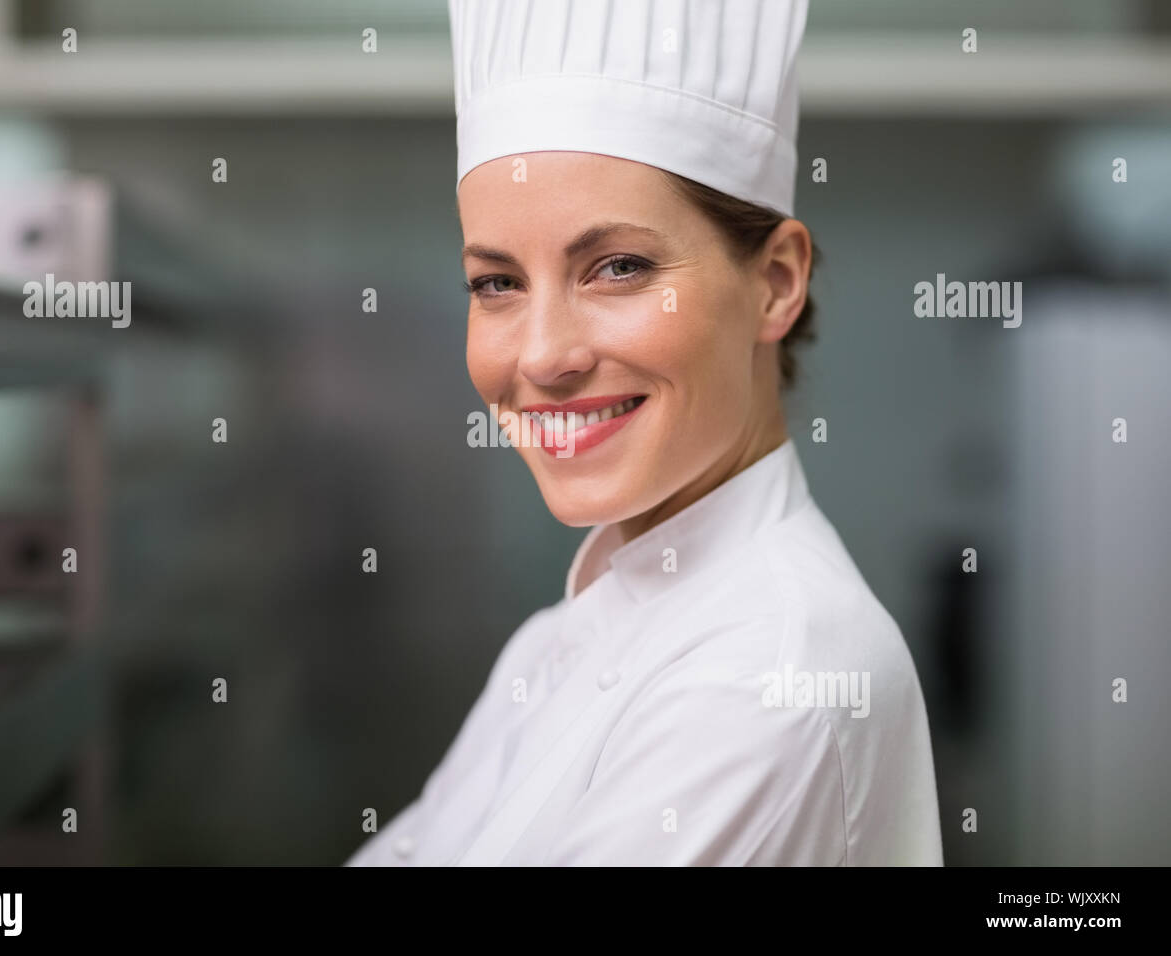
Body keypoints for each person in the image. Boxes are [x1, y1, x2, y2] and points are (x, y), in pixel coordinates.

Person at [347, 0, 943, 866]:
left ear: (776, 282)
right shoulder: (567, 632)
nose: (545, 357)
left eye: (618, 268)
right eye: (497, 283)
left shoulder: (769, 684)